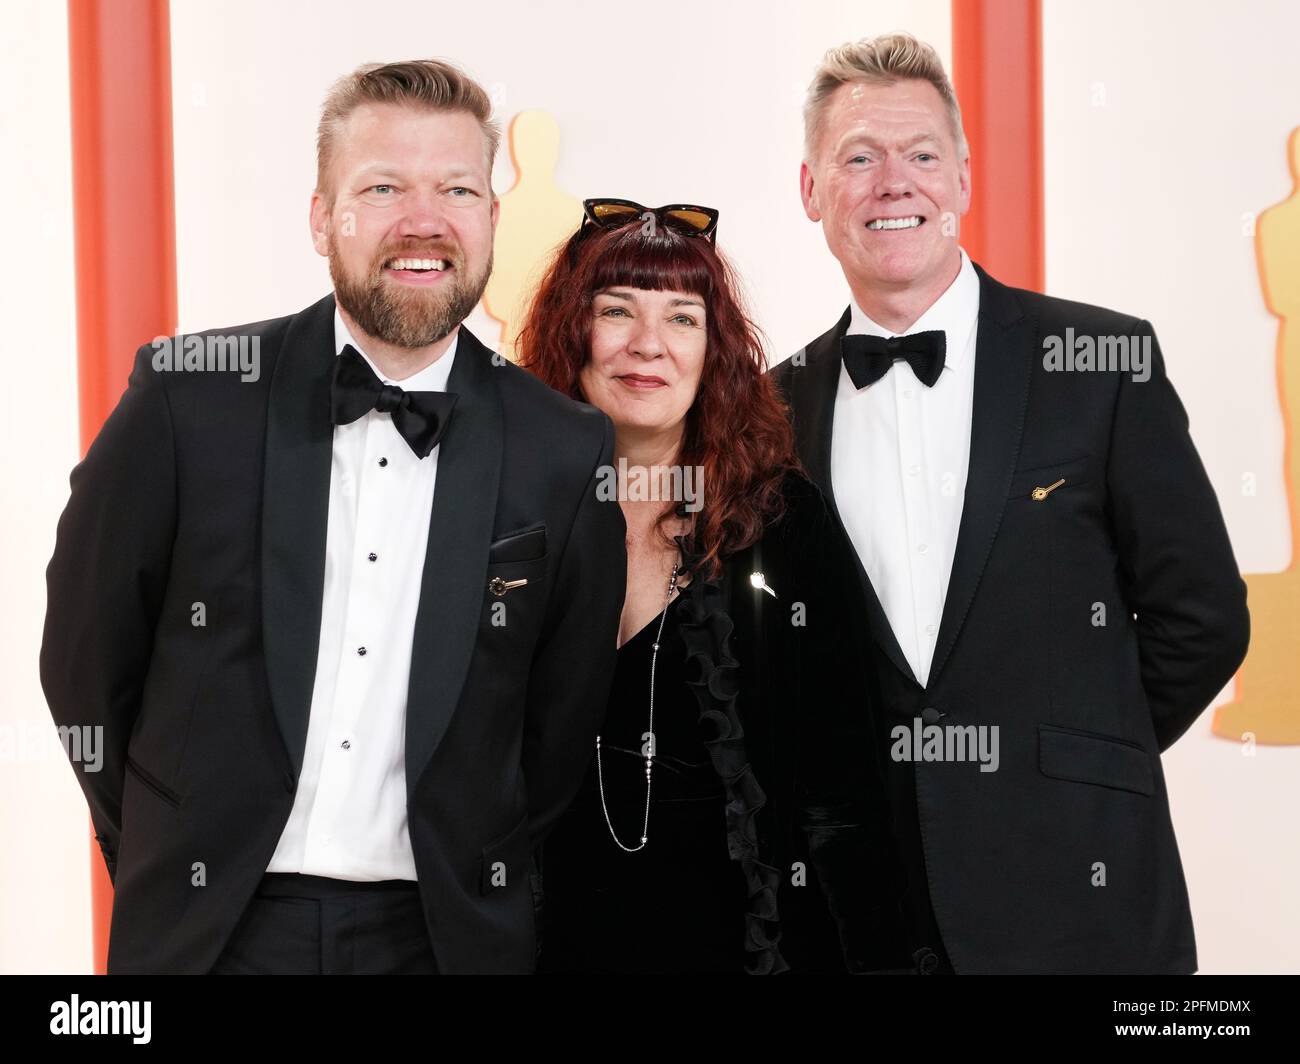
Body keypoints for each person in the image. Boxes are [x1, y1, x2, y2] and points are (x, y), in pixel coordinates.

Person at [39, 59, 626, 974]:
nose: (423, 220)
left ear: (490, 220)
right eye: (383, 186)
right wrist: (167, 837)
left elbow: (557, 730)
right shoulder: (186, 398)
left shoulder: (566, 448)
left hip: (443, 942)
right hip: (209, 932)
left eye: (457, 188)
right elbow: (85, 662)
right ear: (322, 217)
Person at [772, 33, 1250, 973]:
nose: (891, 183)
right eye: (858, 158)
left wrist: (1071, 756)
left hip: (1082, 891)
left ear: (962, 178)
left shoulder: (1104, 363)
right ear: (811, 192)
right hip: (863, 918)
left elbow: (1203, 617)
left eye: (919, 155)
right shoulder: (770, 408)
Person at [517, 198, 894, 974]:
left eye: (682, 318)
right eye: (616, 310)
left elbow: (846, 783)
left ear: (714, 348)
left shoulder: (782, 519)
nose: (647, 345)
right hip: (540, 943)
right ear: (571, 332)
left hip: (741, 948)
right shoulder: (502, 509)